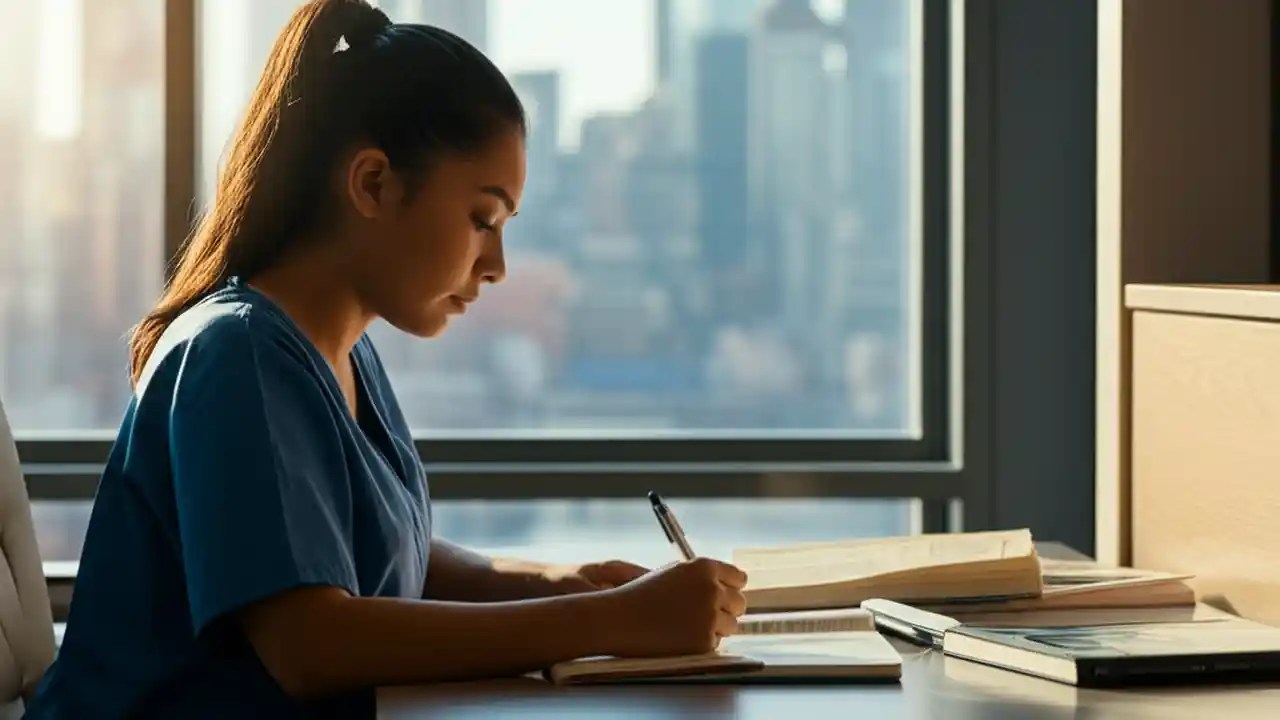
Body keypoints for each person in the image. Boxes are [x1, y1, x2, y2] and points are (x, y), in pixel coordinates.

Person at [24, 1, 747, 717]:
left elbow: (379, 552)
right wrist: (613, 622)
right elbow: (311, 642)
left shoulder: (341, 354)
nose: (496, 265)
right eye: (482, 219)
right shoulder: (236, 357)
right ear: (373, 183)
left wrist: (560, 583)